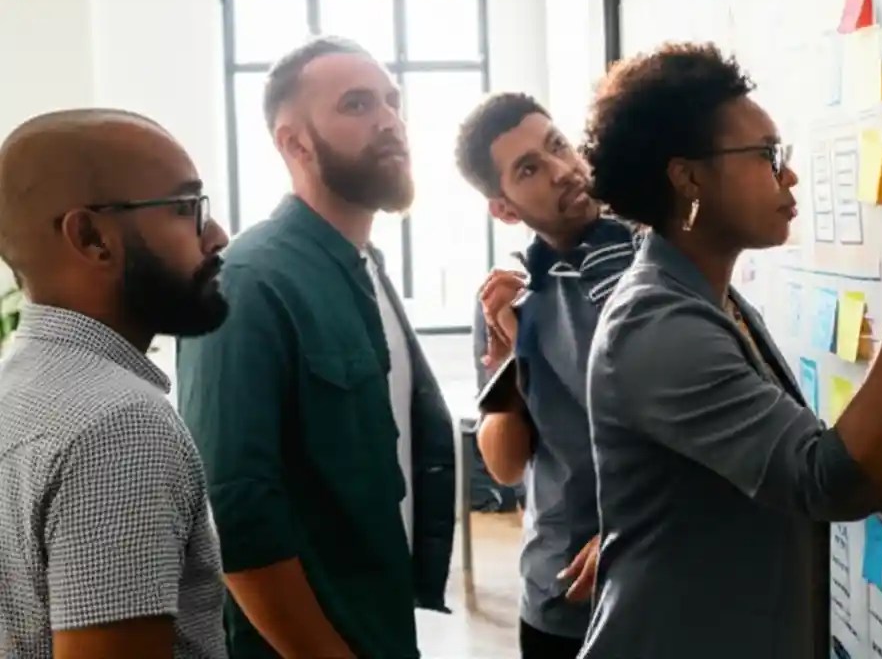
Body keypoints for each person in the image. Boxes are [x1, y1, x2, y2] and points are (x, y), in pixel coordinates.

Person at [578, 42, 882, 658]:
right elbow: (834, 481)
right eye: (767, 156)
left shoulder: (712, 303)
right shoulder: (655, 326)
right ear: (688, 177)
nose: (788, 175)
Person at [175, 36, 455, 658]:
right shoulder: (247, 282)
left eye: (392, 100)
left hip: (378, 621)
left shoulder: (365, 268)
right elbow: (235, 513)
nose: (389, 120)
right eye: (356, 105)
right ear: (294, 142)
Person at [0, 109, 230, 658]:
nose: (218, 236)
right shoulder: (119, 427)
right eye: (187, 209)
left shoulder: (17, 387)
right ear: (92, 238)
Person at [454, 93, 637, 658]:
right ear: (504, 208)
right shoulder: (509, 295)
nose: (561, 171)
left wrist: (637, 534)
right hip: (560, 595)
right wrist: (513, 349)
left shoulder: (656, 258)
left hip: (666, 577)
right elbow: (506, 465)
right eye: (528, 169)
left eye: (557, 145)